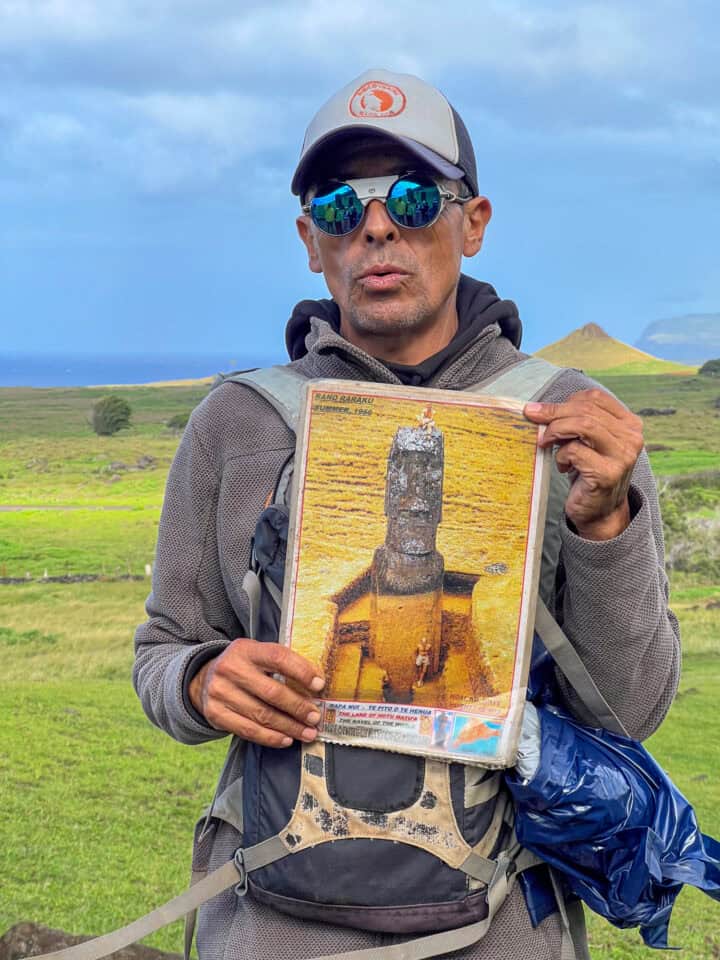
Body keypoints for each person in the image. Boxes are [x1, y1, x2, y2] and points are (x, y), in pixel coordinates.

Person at [133, 69, 680, 960]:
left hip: (502, 924)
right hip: (277, 922)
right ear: (311, 241)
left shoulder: (571, 423)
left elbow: (632, 712)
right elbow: (161, 651)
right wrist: (201, 679)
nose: (379, 226)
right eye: (341, 207)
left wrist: (605, 524)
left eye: (417, 197)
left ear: (474, 221)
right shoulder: (238, 422)